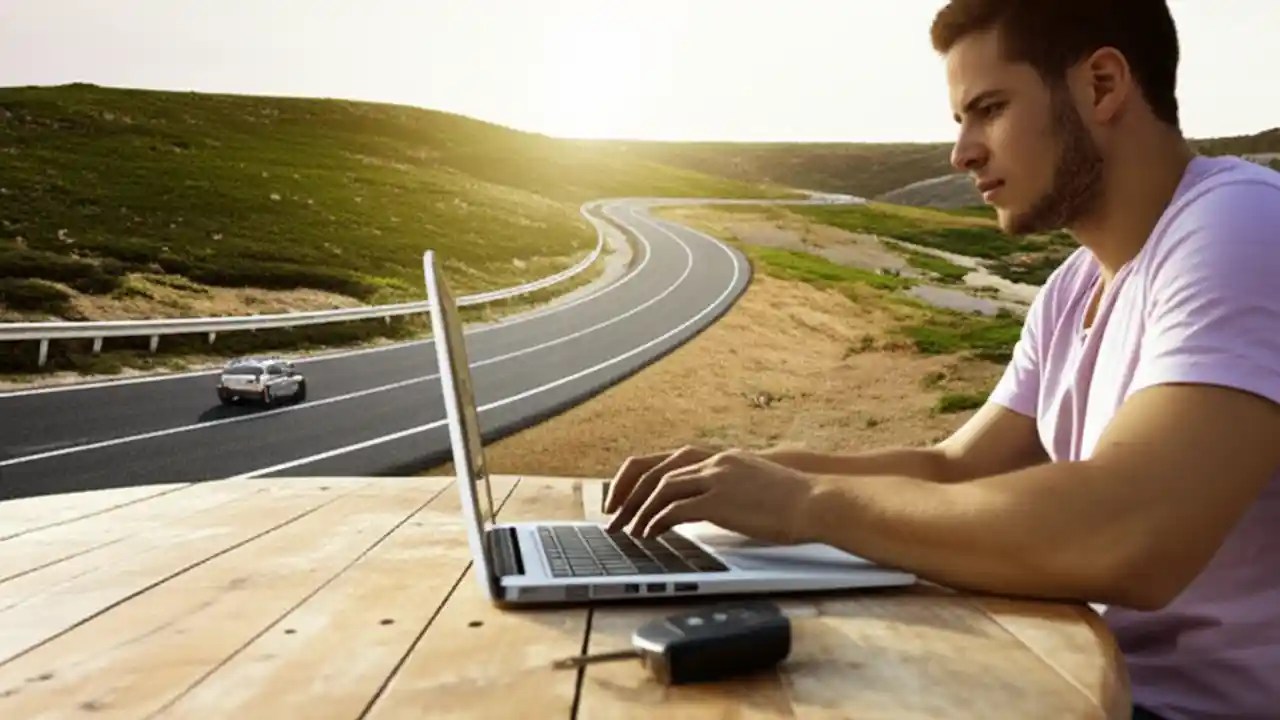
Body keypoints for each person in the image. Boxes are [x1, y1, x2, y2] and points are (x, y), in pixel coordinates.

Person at [602, 1, 1280, 718]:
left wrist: (806, 505)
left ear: (1102, 85)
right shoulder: (1075, 286)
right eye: (962, 119)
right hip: (1086, 685)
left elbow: (1130, 532)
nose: (963, 153)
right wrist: (744, 474)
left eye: (989, 109)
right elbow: (955, 469)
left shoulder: (1244, 225)